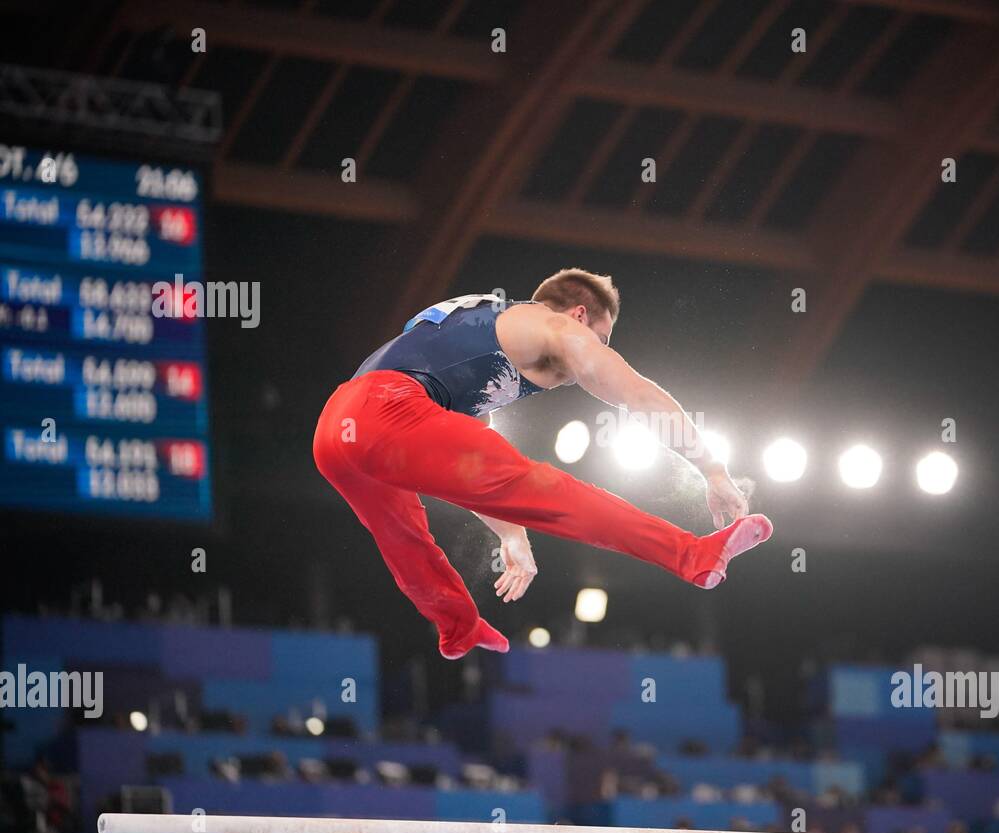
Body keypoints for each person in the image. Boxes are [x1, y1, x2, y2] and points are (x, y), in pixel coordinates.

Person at [313, 268, 772, 659]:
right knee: (549, 489)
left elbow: (472, 479)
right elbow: (637, 394)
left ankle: (457, 626)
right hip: (385, 407)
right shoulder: (556, 328)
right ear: (578, 315)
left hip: (337, 429)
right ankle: (692, 553)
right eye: (603, 338)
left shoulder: (484, 342)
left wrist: (512, 533)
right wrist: (711, 469)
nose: (600, 349)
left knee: (403, 534)